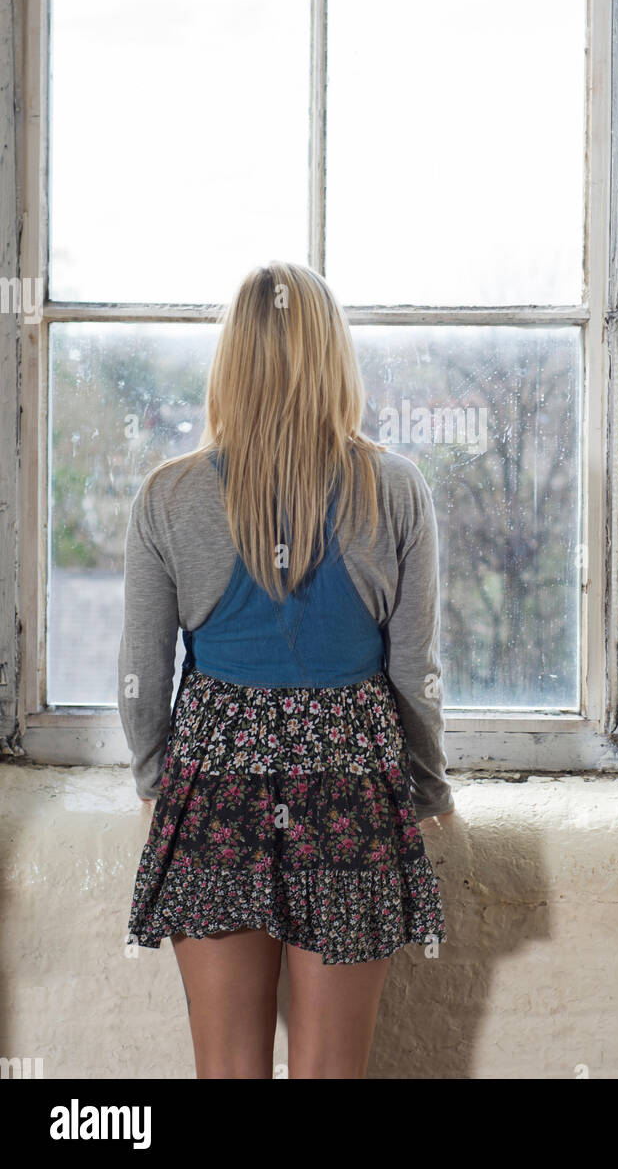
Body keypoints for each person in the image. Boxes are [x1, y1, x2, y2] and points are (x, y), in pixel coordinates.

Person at [118, 261, 454, 1079]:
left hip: (215, 791)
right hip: (350, 788)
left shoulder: (169, 497)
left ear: (229, 360)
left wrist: (164, 782)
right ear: (334, 357)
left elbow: (139, 679)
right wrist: (429, 791)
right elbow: (416, 676)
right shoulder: (395, 490)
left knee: (228, 1071)